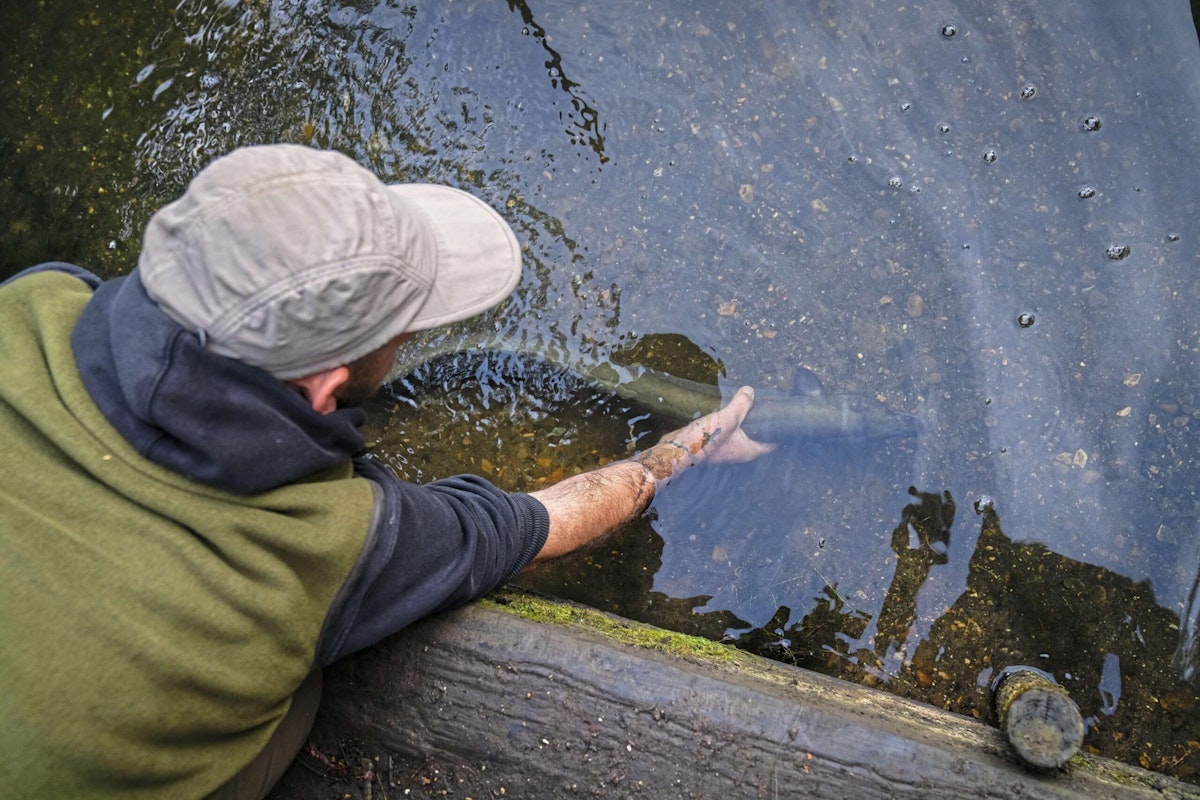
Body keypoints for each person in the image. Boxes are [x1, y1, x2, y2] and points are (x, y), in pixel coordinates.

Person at [0, 144, 771, 799]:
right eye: (401, 330)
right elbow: (547, 516)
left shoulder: (35, 297)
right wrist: (686, 448)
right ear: (326, 388)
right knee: (298, 703)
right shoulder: (331, 543)